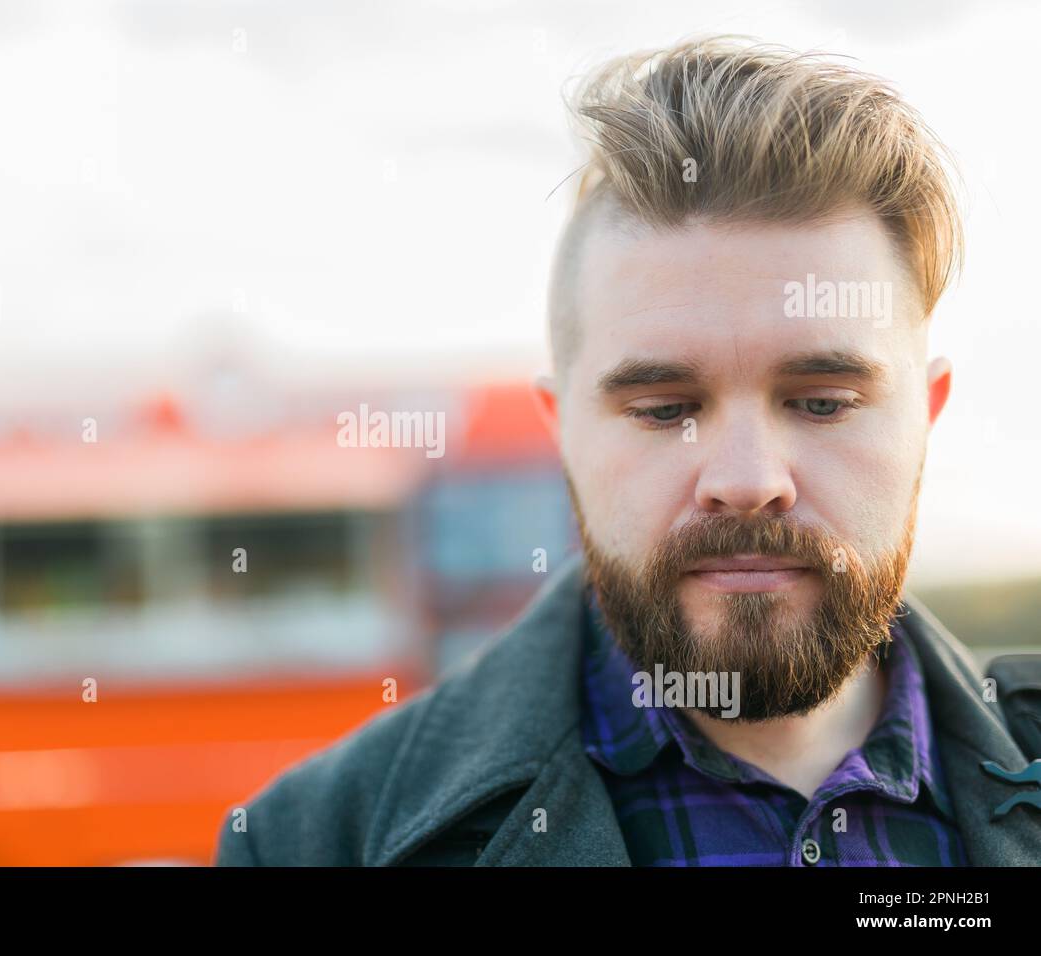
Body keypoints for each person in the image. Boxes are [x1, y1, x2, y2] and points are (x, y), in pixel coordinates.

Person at [214, 35, 1041, 866]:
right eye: (663, 409)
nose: (747, 481)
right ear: (561, 430)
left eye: (822, 402)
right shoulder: (316, 841)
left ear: (926, 416)